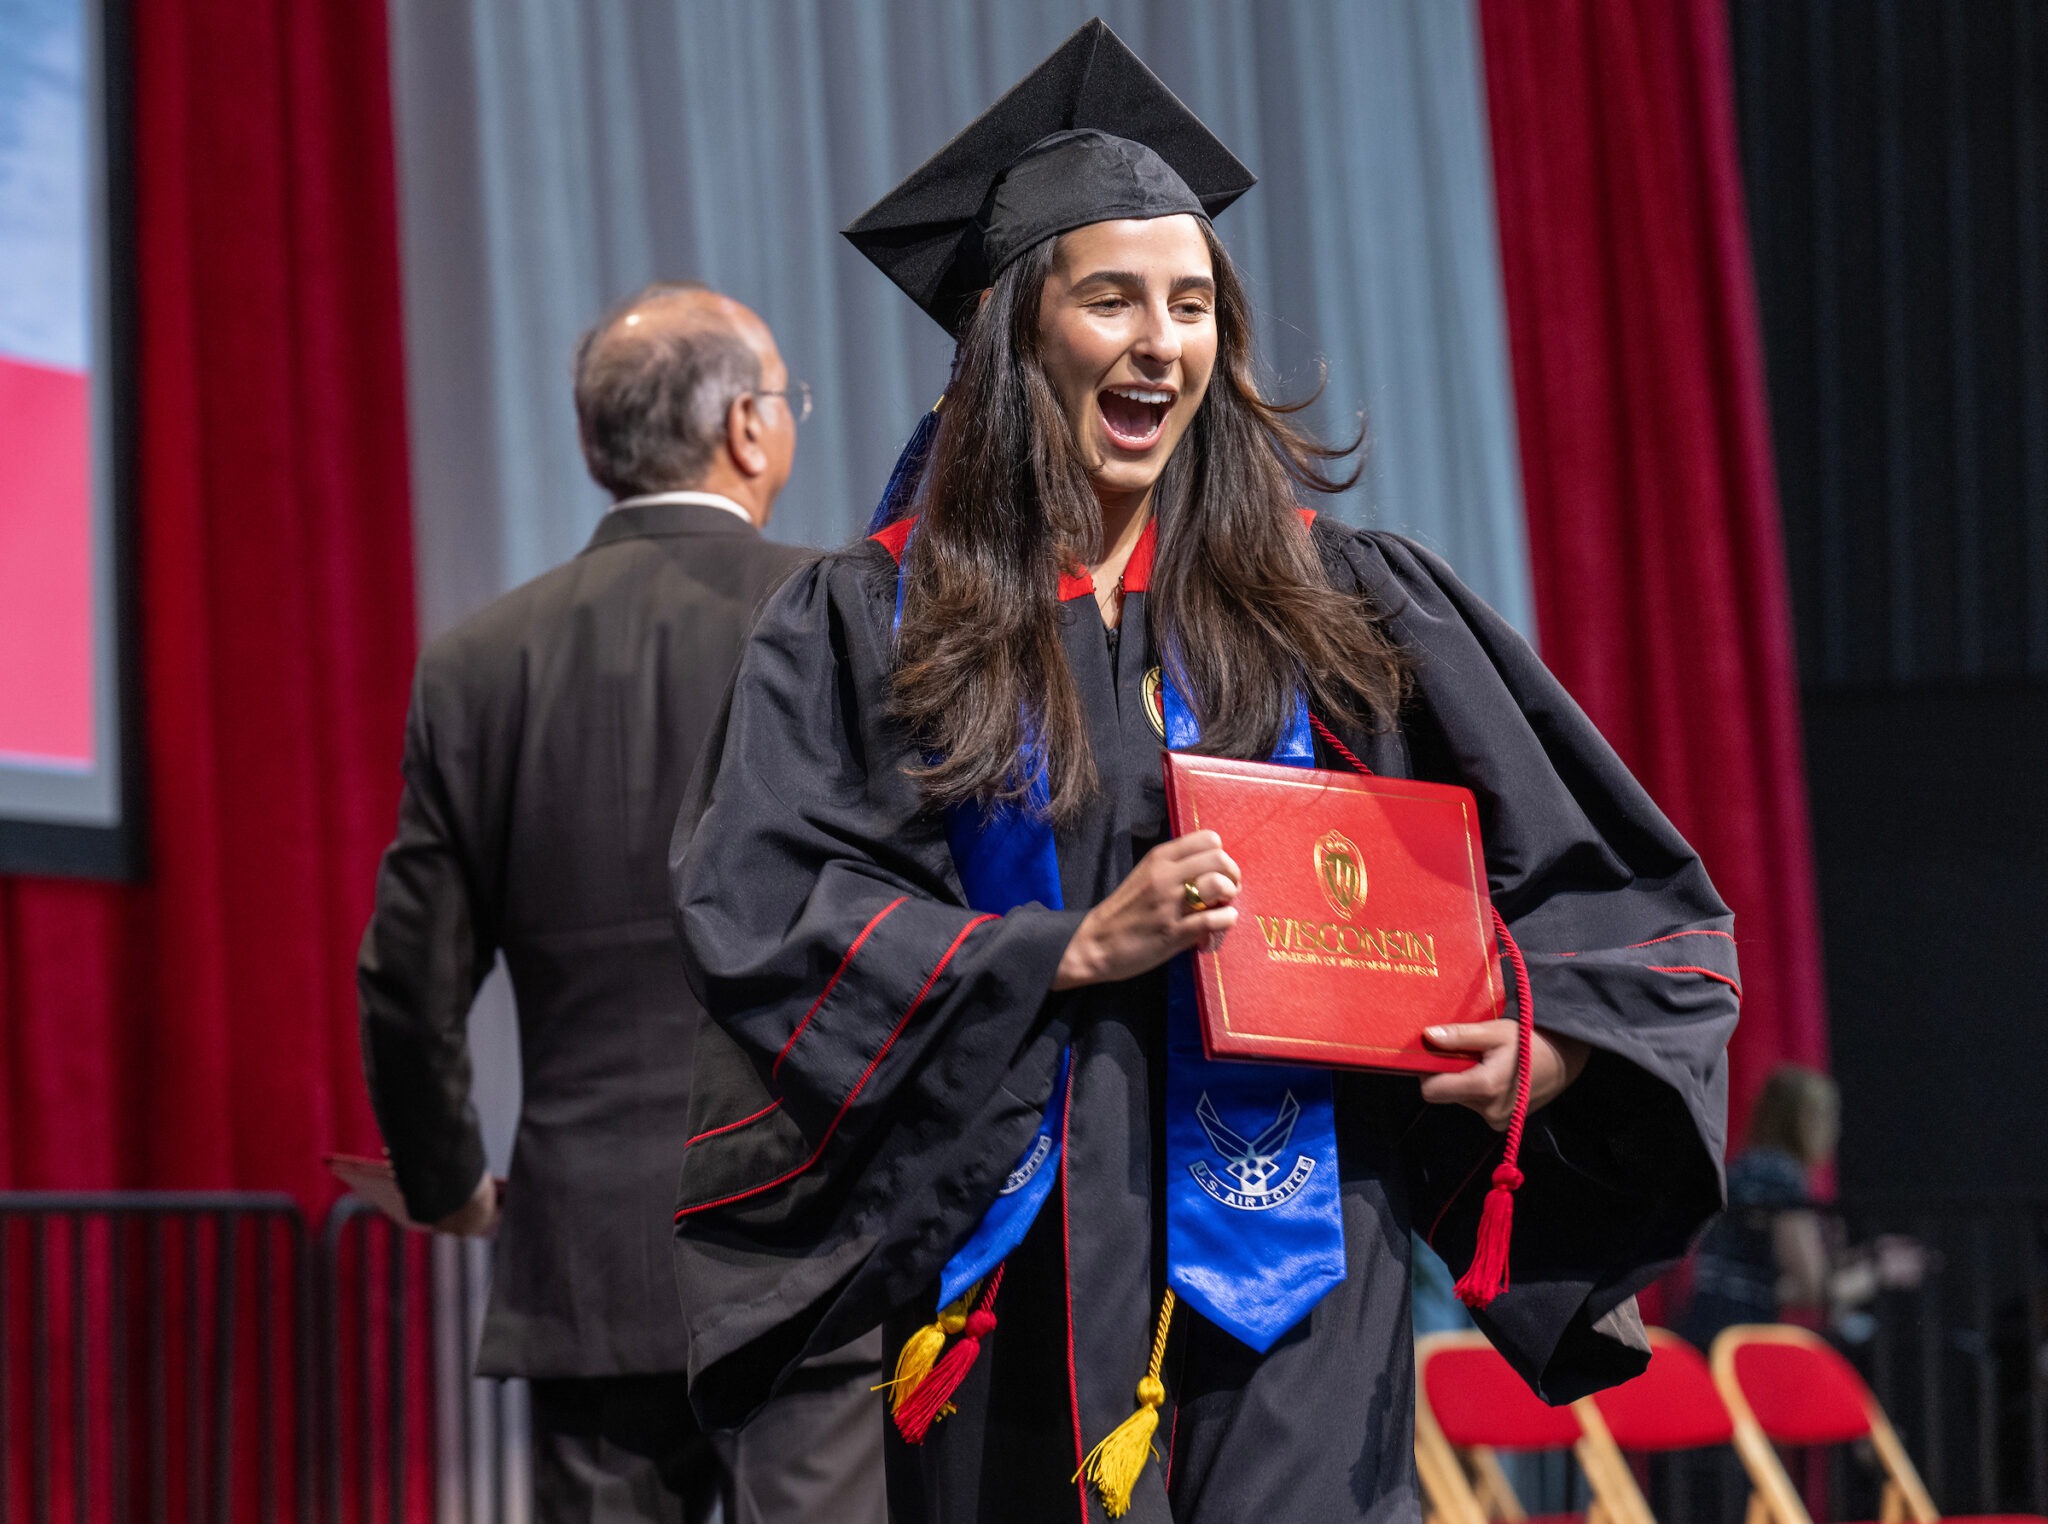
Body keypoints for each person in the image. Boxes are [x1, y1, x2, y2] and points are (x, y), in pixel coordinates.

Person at [669, 22, 1738, 1524]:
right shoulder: (874, 624)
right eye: (1110, 298)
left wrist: (1545, 1049)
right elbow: (766, 909)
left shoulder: (1338, 604)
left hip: (1306, 1291)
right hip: (1016, 1266)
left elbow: (1607, 890)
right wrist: (1062, 952)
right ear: (1013, 337)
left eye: (1190, 305)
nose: (1160, 343)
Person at [358, 282, 885, 1524]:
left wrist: (446, 1183)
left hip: (585, 1256)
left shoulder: (479, 663)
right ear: (746, 427)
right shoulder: (842, 616)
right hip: (806, 1229)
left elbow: (407, 982)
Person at [1682, 1064, 1925, 1345]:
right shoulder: (1777, 1176)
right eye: (1827, 1117)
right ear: (1805, 1122)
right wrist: (1881, 1271)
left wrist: (1867, 1256)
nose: (1835, 1130)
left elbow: (1776, 1281)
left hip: (1709, 1324)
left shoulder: (1749, 1168)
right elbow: (1815, 1289)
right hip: (1737, 1333)